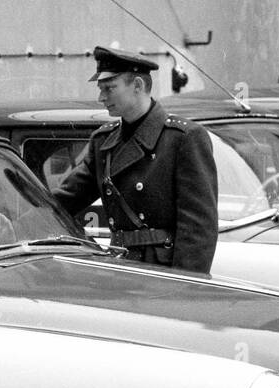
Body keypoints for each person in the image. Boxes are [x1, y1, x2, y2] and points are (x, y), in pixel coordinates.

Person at [52, 46, 218, 272]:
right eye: (101, 89)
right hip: (121, 268)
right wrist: (14, 215)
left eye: (109, 88)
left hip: (163, 272)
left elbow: (198, 229)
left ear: (138, 86)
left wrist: (186, 289)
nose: (102, 97)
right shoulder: (104, 142)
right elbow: (65, 200)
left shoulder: (183, 139)